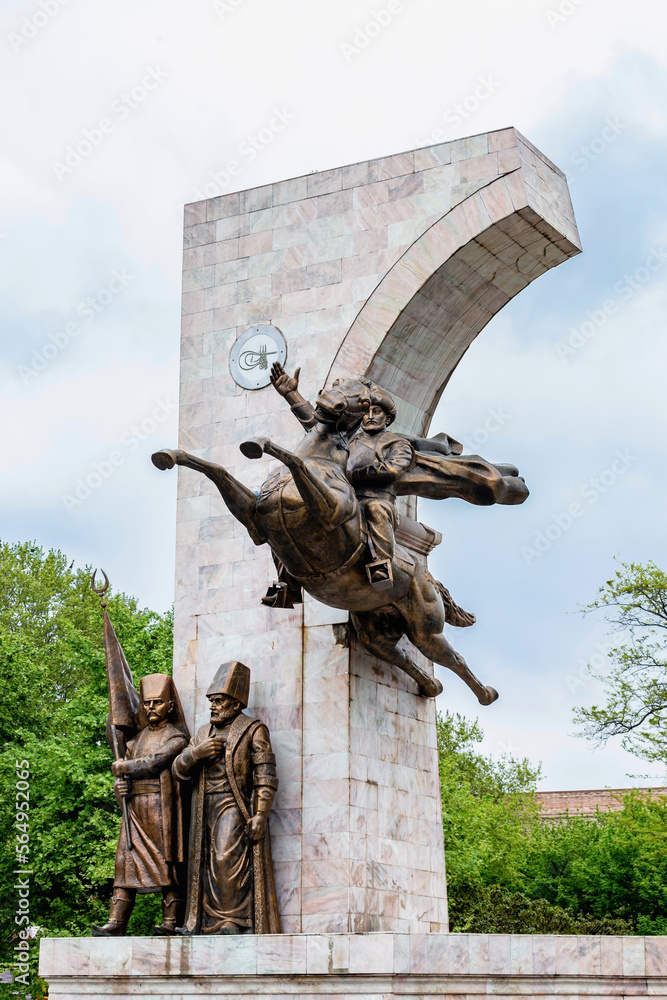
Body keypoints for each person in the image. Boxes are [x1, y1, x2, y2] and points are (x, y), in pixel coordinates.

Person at [172, 660, 280, 935]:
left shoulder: (253, 729)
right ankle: (198, 922)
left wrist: (260, 814)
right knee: (202, 862)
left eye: (218, 700)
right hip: (202, 806)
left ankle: (232, 920)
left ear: (234, 703)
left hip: (234, 804)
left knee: (225, 859)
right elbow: (178, 769)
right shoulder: (202, 733)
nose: (213, 706)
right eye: (211, 700)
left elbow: (265, 776)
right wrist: (196, 754)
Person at [92, 674, 190, 937]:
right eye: (147, 703)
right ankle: (117, 922)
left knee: (166, 866)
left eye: (157, 702)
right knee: (125, 863)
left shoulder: (177, 738)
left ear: (170, 706)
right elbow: (122, 778)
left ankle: (170, 921)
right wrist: (119, 788)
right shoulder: (134, 742)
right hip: (134, 810)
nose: (150, 708)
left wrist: (124, 767)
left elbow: (156, 761)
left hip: (162, 810)